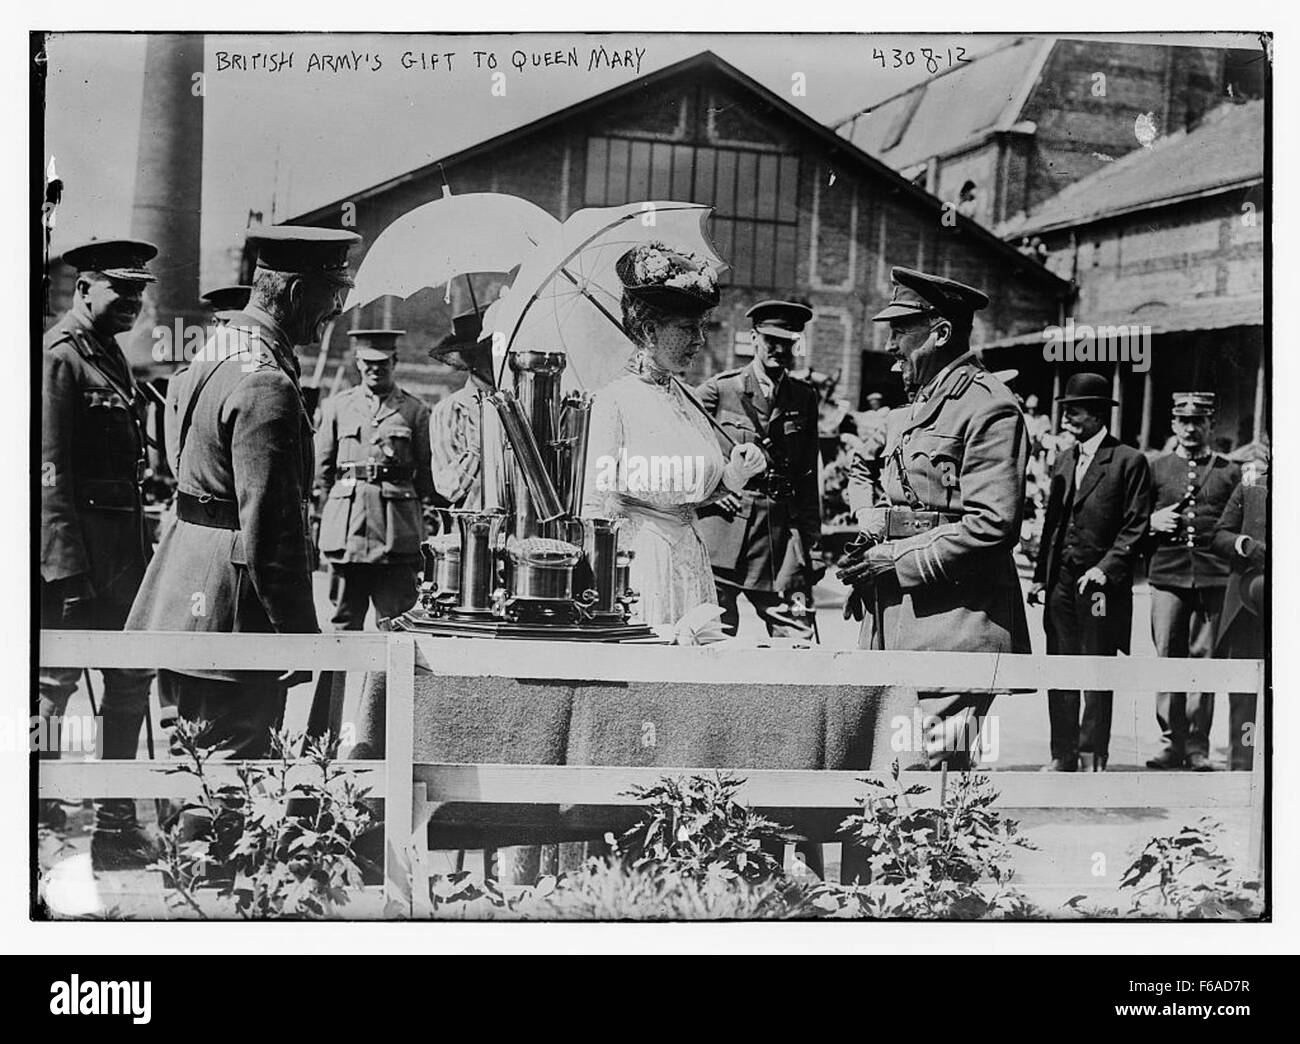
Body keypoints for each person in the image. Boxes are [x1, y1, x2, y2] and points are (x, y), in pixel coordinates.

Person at [127, 225, 359, 758]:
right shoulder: (266, 383)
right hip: (234, 609)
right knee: (233, 766)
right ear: (299, 293)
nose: (334, 314)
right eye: (335, 296)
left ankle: (186, 844)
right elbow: (272, 532)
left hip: (185, 589)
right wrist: (300, 635)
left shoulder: (211, 355)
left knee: (197, 761)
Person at [839, 266, 1030, 770]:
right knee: (885, 774)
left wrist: (894, 562)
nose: (891, 345)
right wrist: (875, 531)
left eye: (901, 330)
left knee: (923, 780)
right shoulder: (924, 402)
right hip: (899, 618)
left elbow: (992, 524)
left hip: (954, 624)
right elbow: (918, 502)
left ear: (941, 332)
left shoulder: (988, 408)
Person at [40, 237, 159, 866]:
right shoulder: (59, 357)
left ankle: (115, 819)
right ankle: (39, 815)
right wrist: (63, 567)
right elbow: (46, 469)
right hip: (78, 563)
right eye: (121, 288)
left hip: (122, 562)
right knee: (51, 690)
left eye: (141, 290)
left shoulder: (108, 353)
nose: (134, 301)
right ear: (84, 288)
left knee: (129, 683)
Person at [581, 242, 766, 626]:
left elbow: (696, 493)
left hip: (690, 556)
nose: (699, 341)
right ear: (649, 331)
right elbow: (593, 507)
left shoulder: (686, 399)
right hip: (642, 564)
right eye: (686, 329)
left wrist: (735, 474)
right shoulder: (615, 400)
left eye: (701, 327)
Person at [1028, 373, 1152, 772]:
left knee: (1097, 665)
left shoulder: (1129, 461)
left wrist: (1105, 568)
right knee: (1060, 665)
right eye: (1065, 411)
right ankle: (1062, 754)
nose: (1066, 419)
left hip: (1100, 588)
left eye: (1075, 411)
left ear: (1099, 415)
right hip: (1061, 583)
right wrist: (1039, 577)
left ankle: (1092, 754)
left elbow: (1137, 525)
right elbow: (1052, 523)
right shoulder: (1064, 459)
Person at [695, 300, 822, 639]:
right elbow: (683, 452)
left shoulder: (803, 397)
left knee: (798, 633)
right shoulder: (719, 390)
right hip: (722, 535)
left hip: (779, 545)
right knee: (713, 639)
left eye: (788, 342)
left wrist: (813, 546)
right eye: (771, 341)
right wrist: (708, 496)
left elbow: (809, 476)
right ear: (753, 338)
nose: (779, 349)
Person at [1144, 392, 1240, 771]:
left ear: (1210, 425)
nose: (1190, 427)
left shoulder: (1228, 471)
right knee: (1168, 657)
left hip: (1213, 577)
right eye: (1183, 420)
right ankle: (1170, 742)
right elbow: (1132, 519)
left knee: (1205, 659)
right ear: (1172, 424)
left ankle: (1197, 745)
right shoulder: (1156, 468)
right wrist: (1152, 522)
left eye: (1198, 421)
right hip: (1167, 575)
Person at [315, 328, 434, 629]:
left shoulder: (414, 410)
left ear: (395, 361)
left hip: (397, 535)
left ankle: (383, 680)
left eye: (382, 362)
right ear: (357, 362)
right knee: (343, 622)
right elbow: (322, 470)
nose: (375, 368)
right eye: (368, 362)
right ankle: (335, 679)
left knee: (395, 624)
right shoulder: (338, 407)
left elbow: (426, 474)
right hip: (348, 534)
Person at [1211, 442, 1268, 771]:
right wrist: (1243, 544)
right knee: (1245, 694)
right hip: (1248, 603)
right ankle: (1242, 765)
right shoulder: (1250, 483)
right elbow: (1219, 534)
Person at [428, 311, 493, 509]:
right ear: (471, 358)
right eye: (488, 352)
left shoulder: (517, 404)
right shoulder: (450, 410)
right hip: (469, 529)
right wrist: (483, 440)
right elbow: (449, 488)